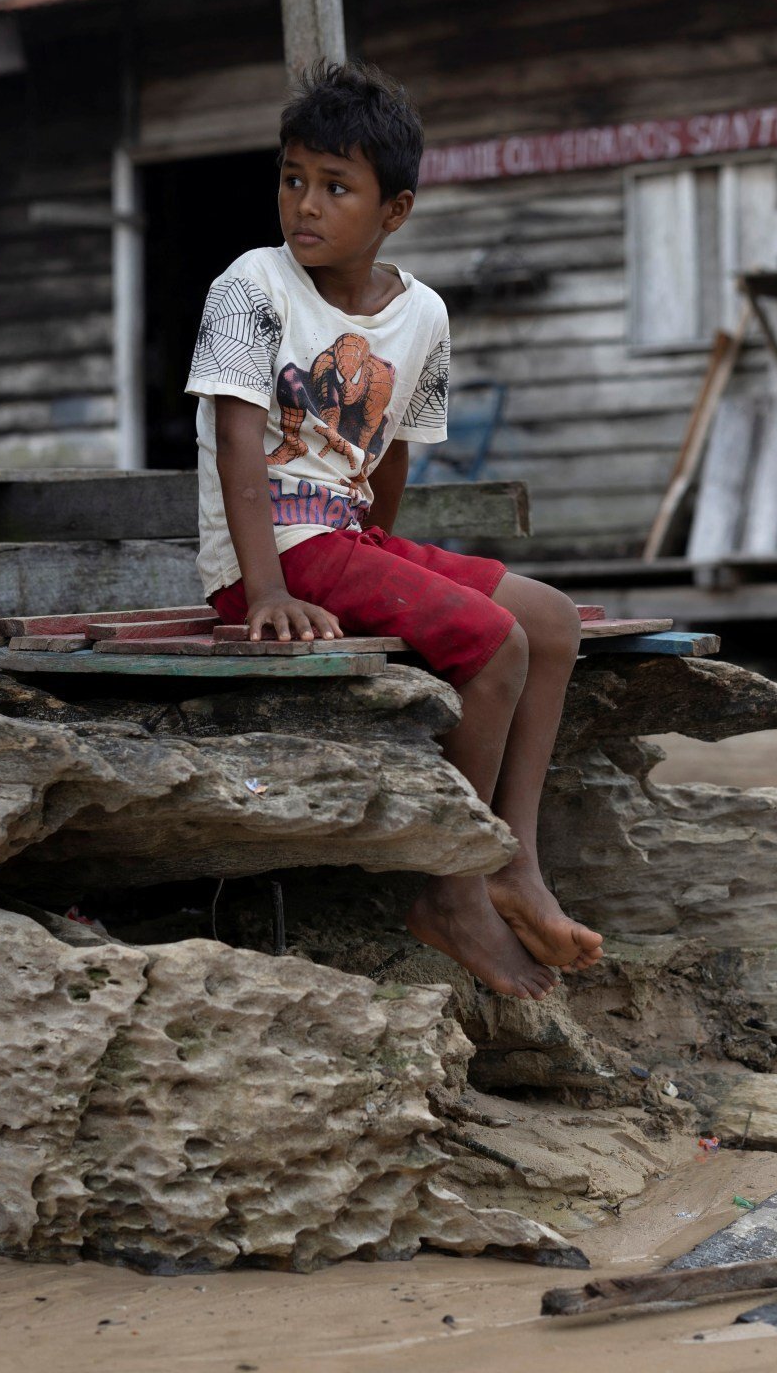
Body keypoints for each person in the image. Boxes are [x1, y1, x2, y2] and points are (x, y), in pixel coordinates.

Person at [186, 61, 602, 999]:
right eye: (294, 178)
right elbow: (237, 451)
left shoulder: (424, 315)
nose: (307, 205)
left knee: (551, 622)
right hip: (273, 557)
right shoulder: (251, 286)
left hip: (346, 539)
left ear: (394, 210)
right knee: (492, 645)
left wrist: (398, 582)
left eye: (337, 187)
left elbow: (397, 456)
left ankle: (515, 861)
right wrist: (265, 592)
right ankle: (448, 888)